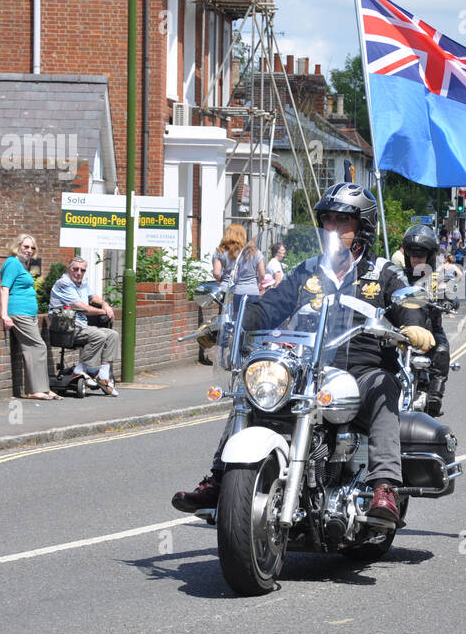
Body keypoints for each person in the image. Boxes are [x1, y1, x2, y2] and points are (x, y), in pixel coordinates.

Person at [172, 182, 434, 526]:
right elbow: (268, 307)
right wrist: (229, 324)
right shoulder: (307, 270)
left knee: (386, 385)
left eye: (343, 221)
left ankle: (385, 486)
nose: (333, 229)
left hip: (361, 371)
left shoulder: (382, 271)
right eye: (328, 220)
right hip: (306, 367)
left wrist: (414, 324)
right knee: (254, 391)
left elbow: (408, 300)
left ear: (362, 229)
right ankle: (221, 478)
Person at [49, 256, 121, 396]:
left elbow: (93, 297)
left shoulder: (82, 282)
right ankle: (81, 370)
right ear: (68, 269)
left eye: (82, 270)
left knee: (113, 335)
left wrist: (105, 304)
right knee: (99, 335)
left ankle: (103, 375)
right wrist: (104, 311)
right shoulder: (64, 283)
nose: (79, 272)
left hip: (81, 326)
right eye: (75, 269)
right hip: (65, 328)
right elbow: (82, 307)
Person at [399, 224, 451, 416]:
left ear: (429, 257)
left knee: (442, 350)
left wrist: (447, 301)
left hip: (430, 331)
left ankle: (435, 396)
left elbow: (447, 295)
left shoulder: (436, 279)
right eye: (413, 256)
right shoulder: (398, 277)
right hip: (402, 332)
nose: (416, 260)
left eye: (420, 256)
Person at [1, 233, 58, 400]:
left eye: (32, 248)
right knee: (38, 346)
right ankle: (35, 390)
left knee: (35, 348)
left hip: (28, 314)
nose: (29, 250)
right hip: (18, 313)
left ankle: (43, 389)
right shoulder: (12, 263)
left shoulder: (23, 264)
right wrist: (4, 315)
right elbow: (4, 288)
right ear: (17, 246)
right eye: (26, 246)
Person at [228, 235, 266, 316]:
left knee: (237, 319)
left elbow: (234, 277)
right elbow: (262, 274)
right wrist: (258, 282)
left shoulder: (239, 255)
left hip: (239, 291)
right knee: (252, 320)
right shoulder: (258, 254)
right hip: (253, 291)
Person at [211, 224, 246, 291]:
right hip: (244, 287)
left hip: (227, 287)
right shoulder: (247, 252)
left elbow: (216, 273)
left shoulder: (220, 252)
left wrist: (222, 279)